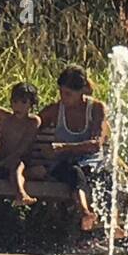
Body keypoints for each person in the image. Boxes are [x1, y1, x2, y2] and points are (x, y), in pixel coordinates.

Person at [37, 65, 110, 234]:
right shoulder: (55, 110)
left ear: (82, 92)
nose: (63, 98)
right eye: (61, 92)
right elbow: (32, 125)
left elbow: (95, 144)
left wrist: (64, 147)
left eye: (68, 94)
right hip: (64, 164)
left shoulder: (96, 108)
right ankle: (86, 214)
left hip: (91, 163)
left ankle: (109, 227)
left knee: (105, 176)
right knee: (74, 173)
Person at [0, 83, 42, 207]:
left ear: (31, 104)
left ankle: (21, 194)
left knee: (22, 166)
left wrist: (6, 161)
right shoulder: (6, 117)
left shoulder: (33, 121)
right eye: (15, 102)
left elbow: (23, 148)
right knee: (16, 166)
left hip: (21, 162)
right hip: (3, 162)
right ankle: (21, 195)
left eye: (23, 102)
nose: (18, 106)